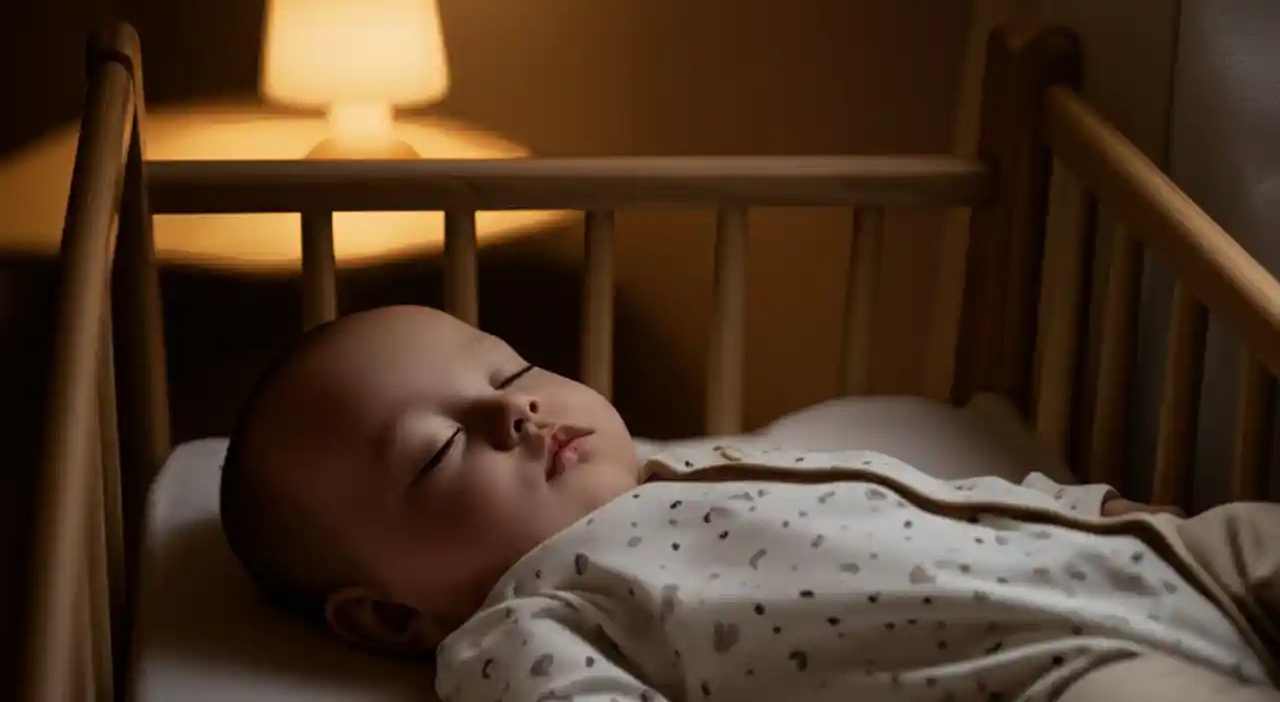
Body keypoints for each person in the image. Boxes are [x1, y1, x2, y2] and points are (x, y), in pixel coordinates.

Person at [220, 305, 1280, 701]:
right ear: (388, 614)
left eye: (507, 371)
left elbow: (925, 501)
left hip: (1161, 555)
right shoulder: (520, 626)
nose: (518, 411)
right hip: (1055, 675)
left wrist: (1091, 508)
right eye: (445, 446)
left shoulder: (700, 468)